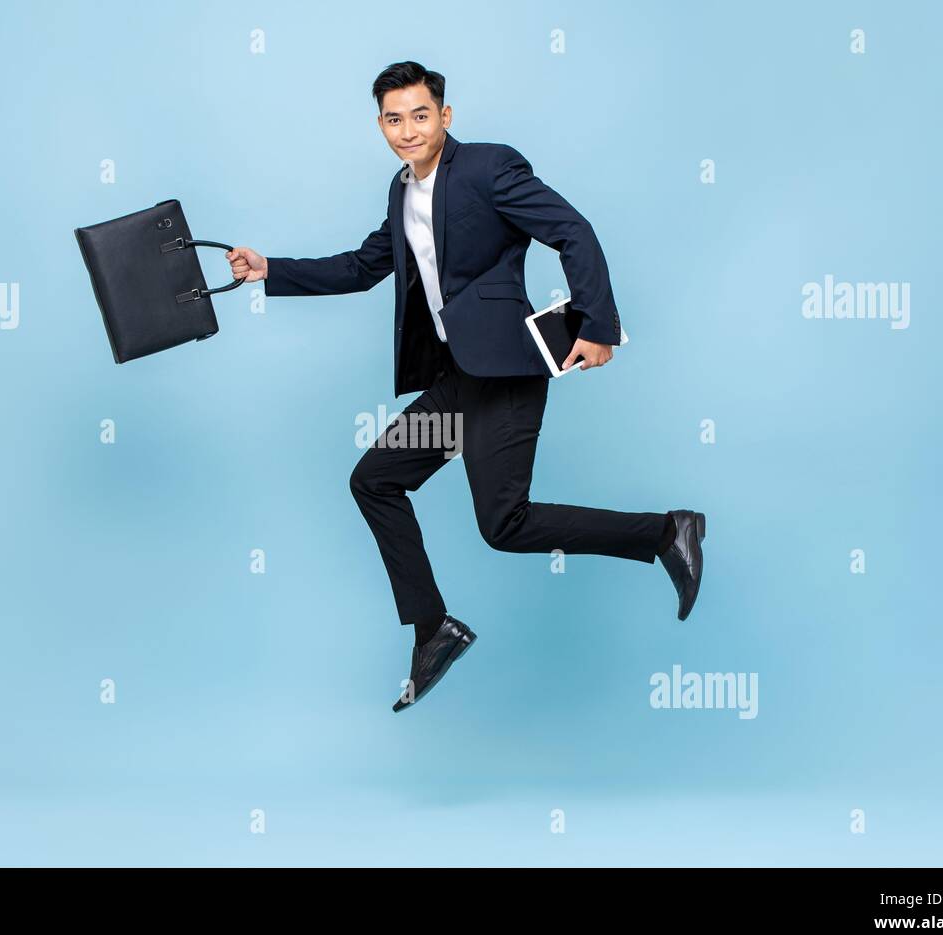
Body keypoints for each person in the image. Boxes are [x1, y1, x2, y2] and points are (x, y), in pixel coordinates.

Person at [227, 61, 705, 713]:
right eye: (394, 119)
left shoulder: (489, 168)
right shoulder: (399, 192)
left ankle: (666, 531)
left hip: (506, 371)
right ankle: (433, 629)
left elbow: (573, 230)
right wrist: (269, 270)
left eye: (420, 115)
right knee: (374, 478)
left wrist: (598, 323)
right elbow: (366, 265)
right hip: (457, 385)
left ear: (444, 116)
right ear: (380, 125)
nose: (408, 130)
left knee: (503, 524)